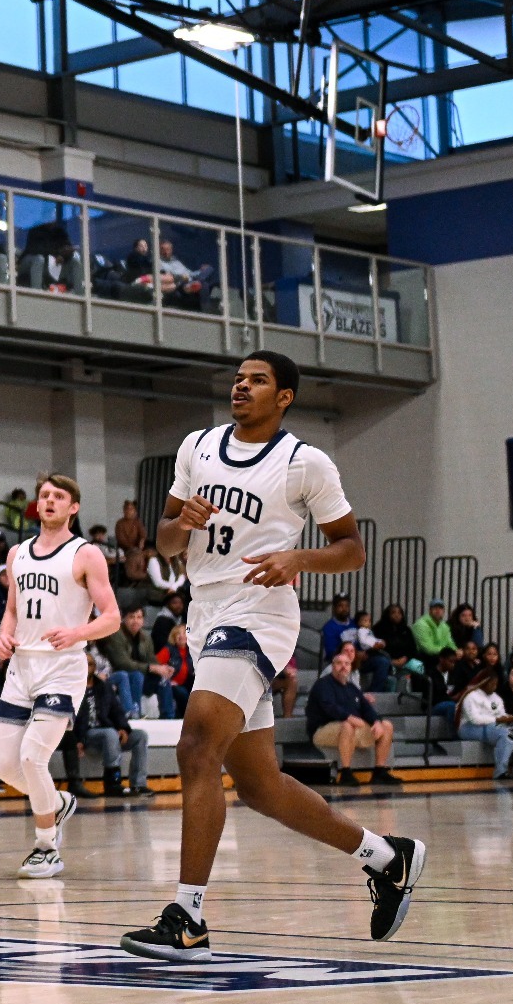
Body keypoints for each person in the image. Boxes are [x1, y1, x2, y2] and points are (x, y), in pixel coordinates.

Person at [120, 351, 422, 964]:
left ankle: (189, 918)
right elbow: (168, 538)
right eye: (239, 378)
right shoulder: (197, 446)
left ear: (284, 396)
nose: (242, 386)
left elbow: (352, 549)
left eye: (257, 380)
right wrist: (185, 521)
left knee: (197, 743)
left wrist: (298, 559)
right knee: (258, 784)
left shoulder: (304, 461)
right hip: (204, 611)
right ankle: (388, 858)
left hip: (260, 613)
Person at [0, 473, 119, 879]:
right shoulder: (17, 554)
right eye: (44, 495)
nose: (49, 501)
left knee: (33, 757)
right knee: (5, 768)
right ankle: (56, 804)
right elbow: (13, 606)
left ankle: (47, 847)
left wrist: (77, 632)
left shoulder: (86, 554)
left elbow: (112, 618)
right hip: (21, 665)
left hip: (63, 667)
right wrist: (3, 632)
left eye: (58, 496)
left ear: (73, 507)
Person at [62, 659, 152, 798]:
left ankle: (138, 784)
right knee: (110, 734)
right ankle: (112, 783)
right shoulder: (71, 689)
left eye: (90, 664)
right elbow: (67, 718)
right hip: (86, 735)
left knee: (140, 736)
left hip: (107, 732)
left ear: (95, 667)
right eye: (84, 663)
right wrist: (76, 740)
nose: (87, 667)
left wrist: (123, 728)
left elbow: (117, 711)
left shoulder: (104, 687)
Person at [307, 646, 396, 786]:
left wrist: (376, 721)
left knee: (386, 725)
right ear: (332, 666)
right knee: (348, 725)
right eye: (339, 663)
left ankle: (379, 772)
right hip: (322, 730)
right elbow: (328, 707)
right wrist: (349, 717)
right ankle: (346, 773)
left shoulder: (351, 687)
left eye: (347, 664)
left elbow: (366, 708)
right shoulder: (323, 684)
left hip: (353, 728)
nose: (343, 667)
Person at [459, 669, 513, 780]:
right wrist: (497, 719)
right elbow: (474, 719)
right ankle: (501, 772)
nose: (494, 686)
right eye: (492, 683)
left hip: (494, 725)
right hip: (470, 728)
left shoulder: (496, 698)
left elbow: (501, 713)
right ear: (484, 682)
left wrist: (508, 718)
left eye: (496, 684)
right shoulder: (471, 696)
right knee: (507, 734)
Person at [100, 605, 172, 719]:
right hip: (119, 676)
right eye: (132, 617)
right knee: (136, 676)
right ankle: (134, 713)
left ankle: (169, 717)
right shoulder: (116, 635)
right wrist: (151, 668)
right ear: (124, 619)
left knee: (162, 679)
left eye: (139, 617)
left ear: (143, 620)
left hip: (141, 676)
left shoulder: (145, 637)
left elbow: (152, 660)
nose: (135, 621)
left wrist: (162, 669)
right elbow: (122, 663)